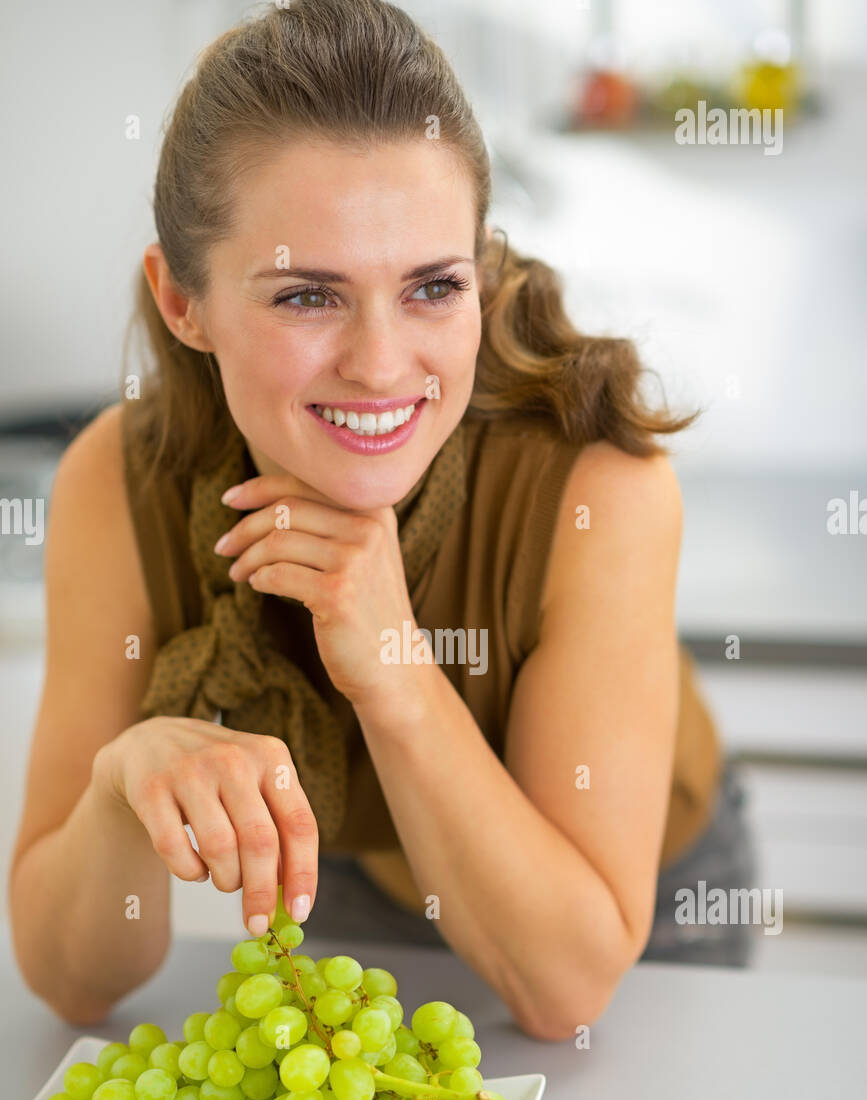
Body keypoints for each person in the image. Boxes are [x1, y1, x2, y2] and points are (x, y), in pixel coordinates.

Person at [8, 0, 757, 1041]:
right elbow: (74, 981)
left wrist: (394, 666)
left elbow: (567, 990)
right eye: (308, 296)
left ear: (480, 275)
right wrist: (121, 786)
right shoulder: (118, 482)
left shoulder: (599, 485)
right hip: (357, 884)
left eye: (431, 287)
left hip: (640, 913)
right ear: (184, 300)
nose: (381, 364)